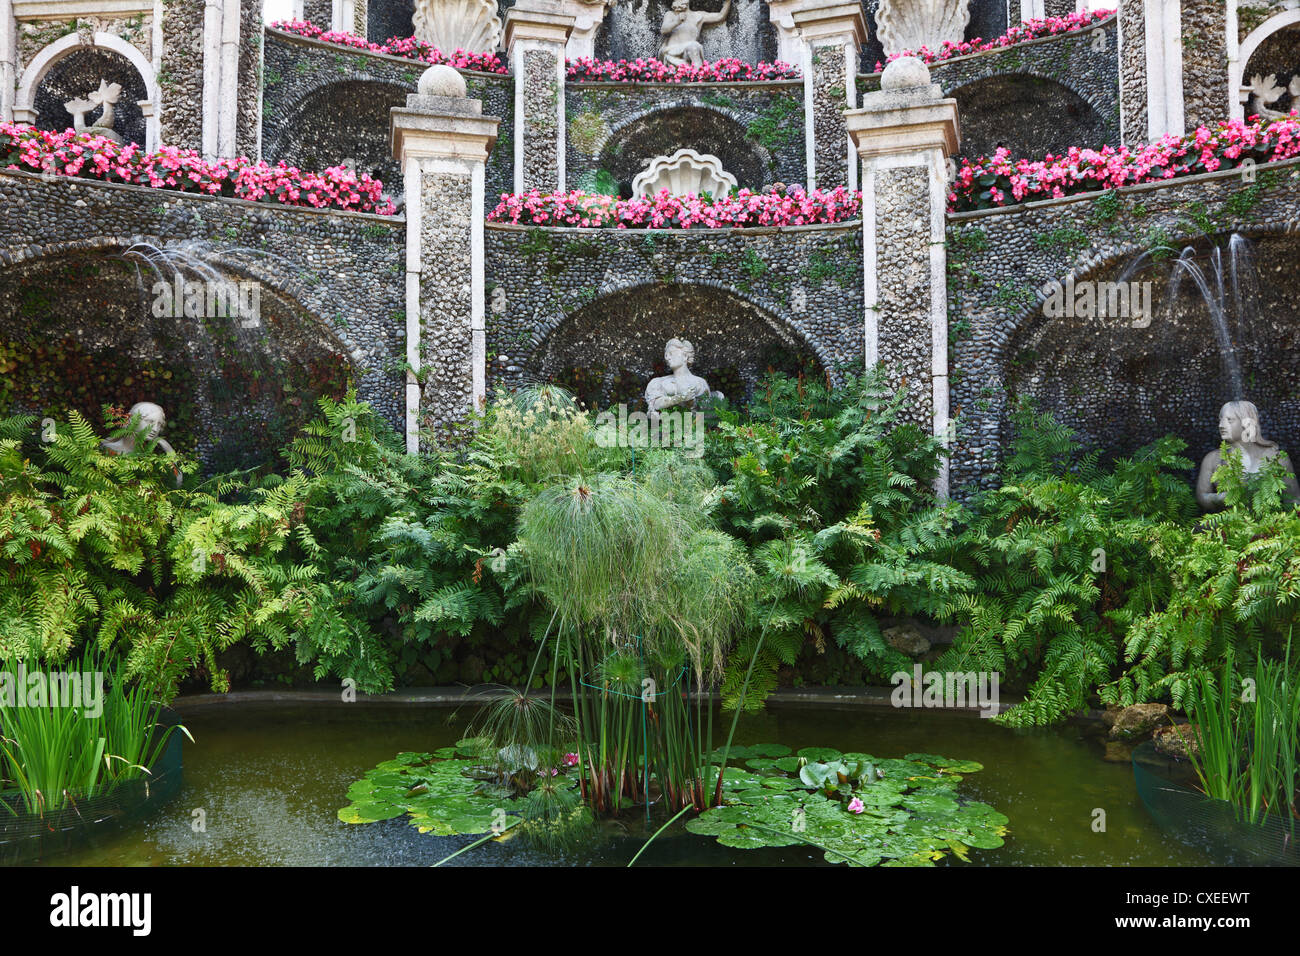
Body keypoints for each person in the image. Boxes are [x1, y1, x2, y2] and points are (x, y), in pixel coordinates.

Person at [1195, 400, 1300, 509]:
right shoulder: (1212, 459)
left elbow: (1294, 499)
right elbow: (1202, 496)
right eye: (1220, 420)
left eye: (1229, 420)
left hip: (1269, 523)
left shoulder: (1277, 458)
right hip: (1228, 522)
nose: (1221, 425)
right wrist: (1219, 498)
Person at [659, 0, 731, 68]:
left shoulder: (698, 15)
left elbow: (720, 16)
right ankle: (699, 73)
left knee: (693, 46)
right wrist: (677, 21)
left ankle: (698, 74)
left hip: (690, 51)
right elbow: (664, 30)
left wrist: (728, 1)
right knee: (693, 46)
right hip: (672, 51)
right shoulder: (671, 14)